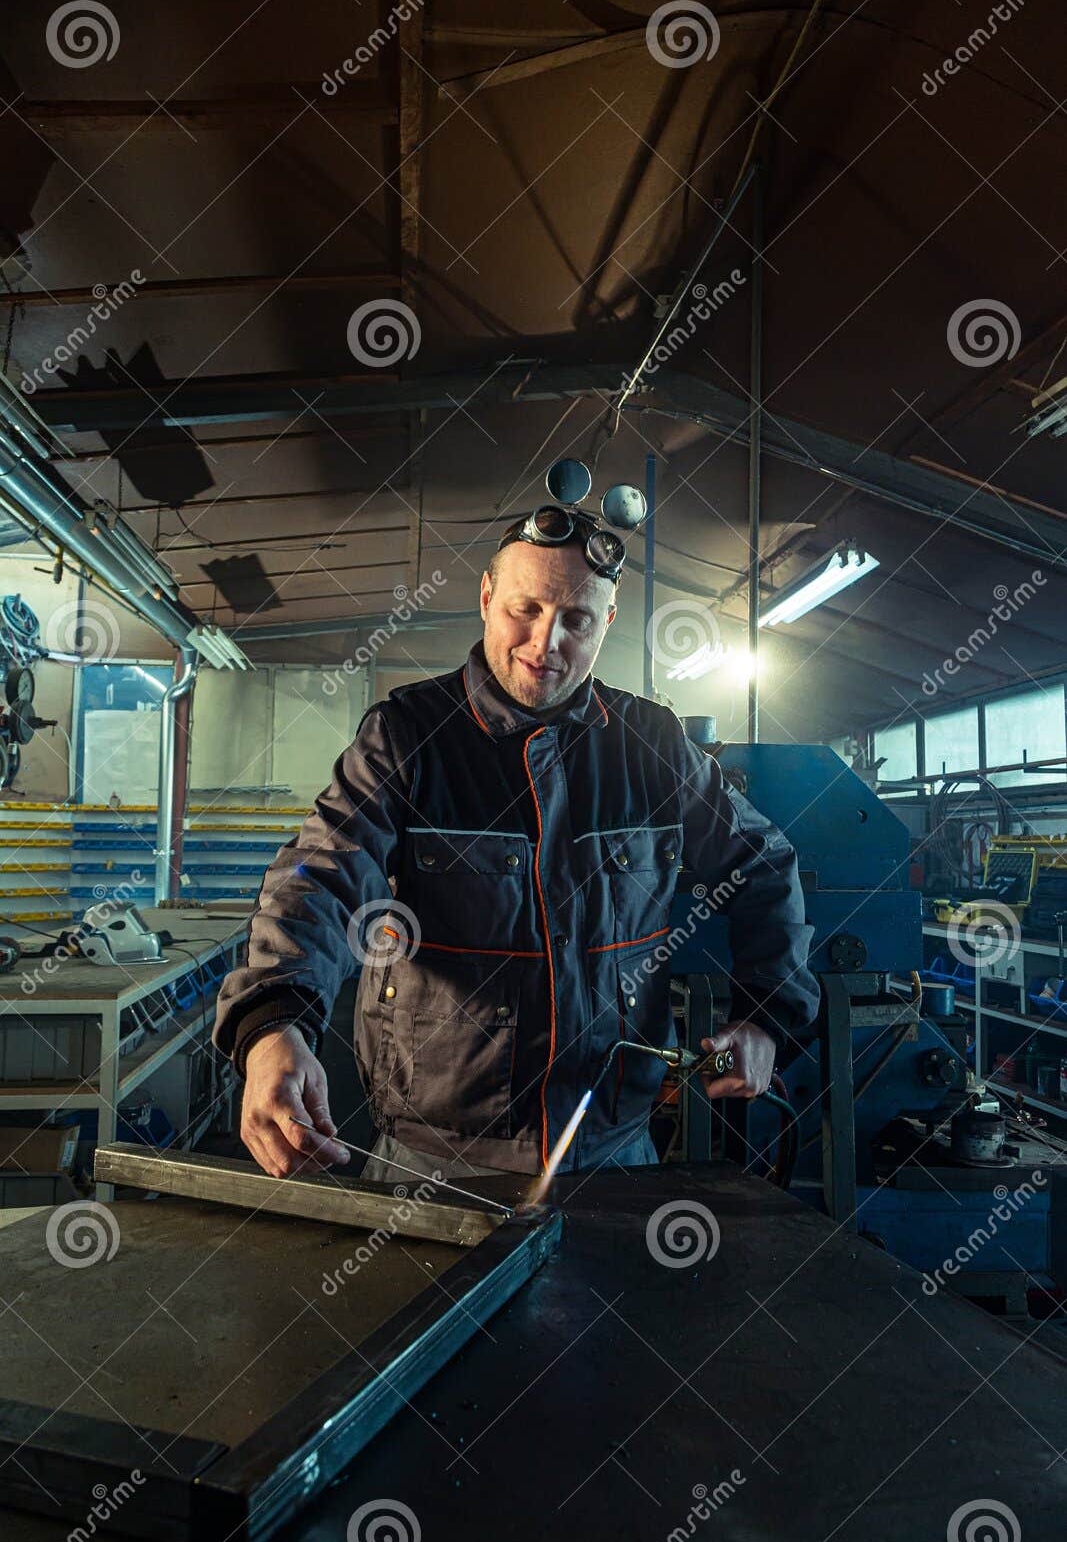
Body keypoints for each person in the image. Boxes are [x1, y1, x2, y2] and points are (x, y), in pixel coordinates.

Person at [213, 504, 820, 1184]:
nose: (544, 643)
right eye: (524, 609)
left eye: (576, 620)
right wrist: (274, 1024)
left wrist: (766, 1016)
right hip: (434, 1162)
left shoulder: (652, 744)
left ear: (607, 622)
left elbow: (763, 864)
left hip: (613, 1151)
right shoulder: (408, 735)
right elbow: (318, 876)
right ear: (485, 598)